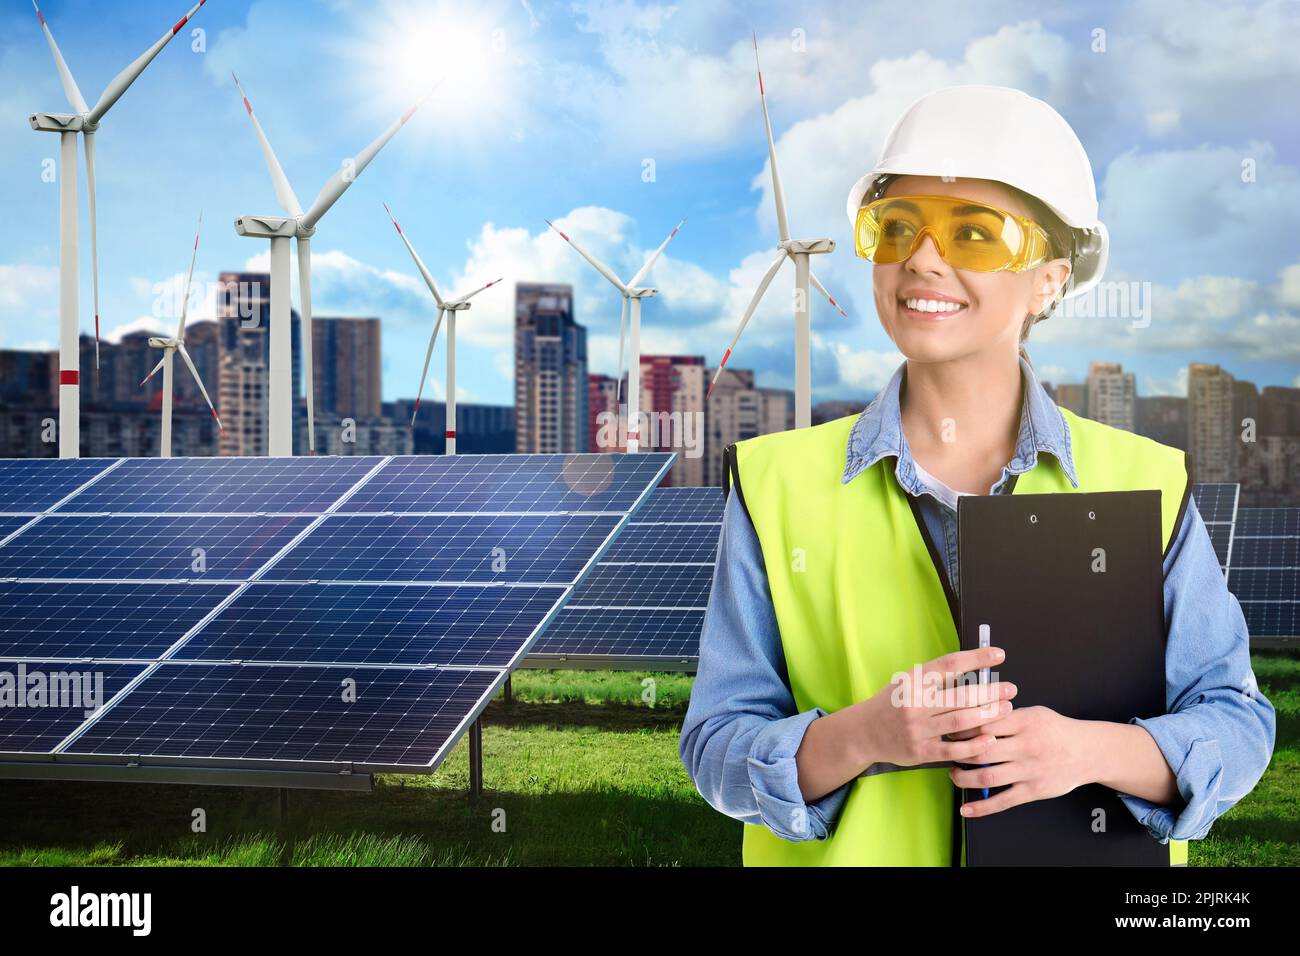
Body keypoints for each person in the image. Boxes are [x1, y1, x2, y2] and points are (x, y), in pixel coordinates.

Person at [678, 85, 1276, 866]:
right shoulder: (775, 484)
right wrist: (864, 736)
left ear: (1050, 280)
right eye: (897, 226)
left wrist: (1087, 752)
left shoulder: (1146, 483)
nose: (923, 258)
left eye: (974, 233)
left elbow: (1236, 723)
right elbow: (717, 746)